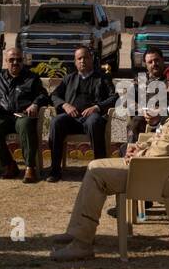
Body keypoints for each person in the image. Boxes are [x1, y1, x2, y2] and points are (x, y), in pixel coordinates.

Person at [51, 57, 169, 261]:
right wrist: (140, 146)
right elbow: (164, 138)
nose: (168, 90)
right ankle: (77, 231)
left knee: (96, 173)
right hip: (156, 167)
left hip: (158, 174)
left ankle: (82, 243)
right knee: (93, 166)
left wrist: (139, 155)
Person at [46, 45, 117, 183]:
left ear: (92, 59)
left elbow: (114, 97)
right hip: (72, 119)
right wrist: (65, 105)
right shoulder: (69, 78)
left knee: (94, 122)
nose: (82, 61)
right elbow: (54, 96)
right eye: (79, 58)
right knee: (56, 121)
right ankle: (55, 170)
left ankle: (99, 169)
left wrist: (97, 107)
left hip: (92, 118)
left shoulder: (102, 78)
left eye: (85, 58)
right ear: (75, 62)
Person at [0, 46, 48, 182]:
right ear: (6, 61)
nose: (15, 63)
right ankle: (9, 164)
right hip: (4, 117)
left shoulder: (32, 78)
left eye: (18, 60)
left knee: (25, 124)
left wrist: (35, 104)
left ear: (23, 61)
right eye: (11, 60)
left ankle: (30, 167)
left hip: (23, 116)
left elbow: (43, 95)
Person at [126, 45, 168, 143]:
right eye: (150, 62)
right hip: (143, 116)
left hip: (165, 118)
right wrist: (142, 110)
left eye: (157, 60)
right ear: (145, 65)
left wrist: (160, 112)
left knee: (136, 122)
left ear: (163, 60)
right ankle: (121, 151)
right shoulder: (141, 80)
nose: (154, 64)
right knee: (119, 117)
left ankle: (133, 154)